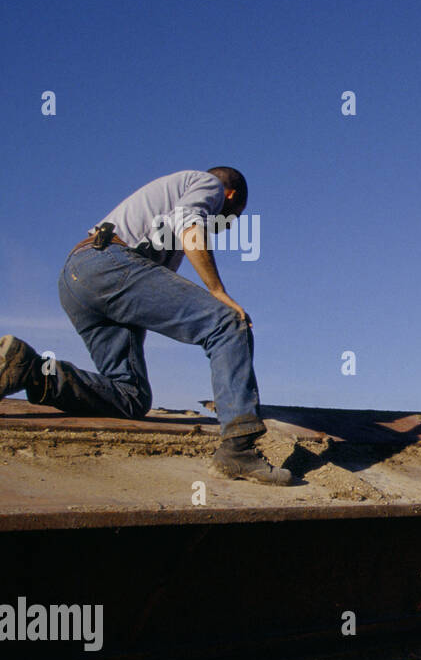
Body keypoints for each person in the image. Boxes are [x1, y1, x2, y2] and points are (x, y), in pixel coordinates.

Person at [0, 168, 289, 484]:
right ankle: (239, 451)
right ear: (231, 196)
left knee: (131, 396)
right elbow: (189, 221)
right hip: (107, 264)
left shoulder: (166, 228)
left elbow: (152, 289)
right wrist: (217, 292)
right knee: (227, 321)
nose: (228, 225)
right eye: (233, 217)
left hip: (77, 280)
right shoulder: (210, 185)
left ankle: (29, 369)